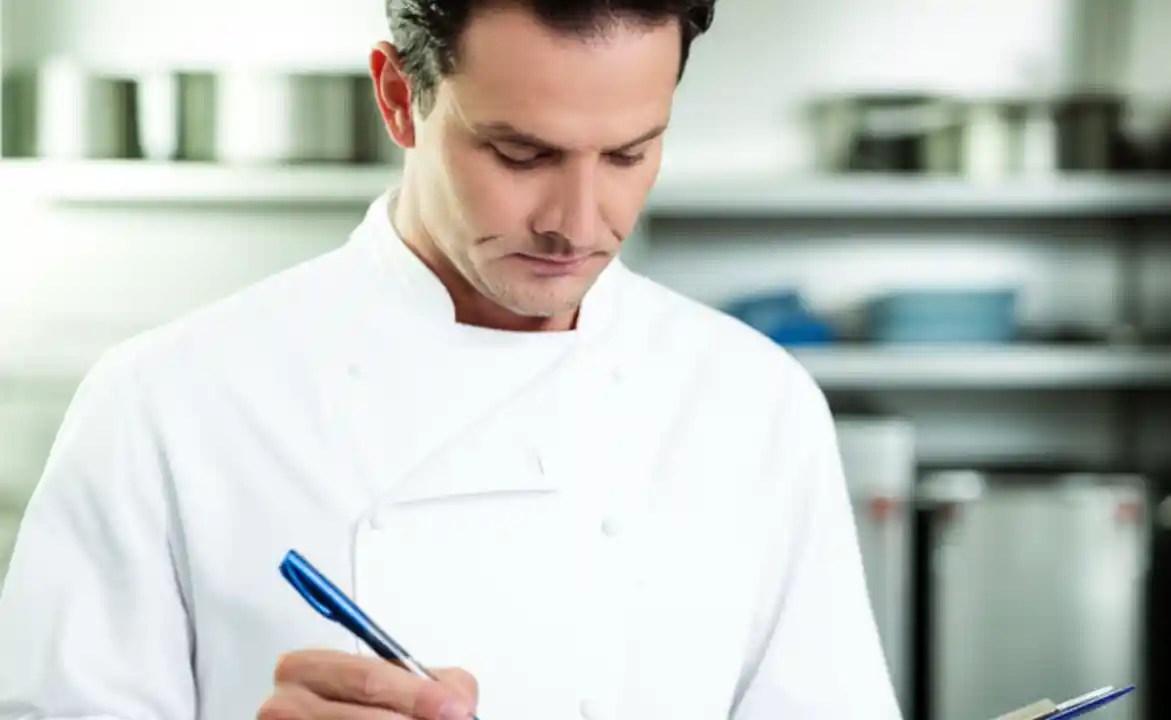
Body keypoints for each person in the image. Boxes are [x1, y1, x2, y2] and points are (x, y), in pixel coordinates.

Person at [0, 1, 900, 718]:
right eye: (520, 152)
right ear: (399, 98)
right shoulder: (166, 404)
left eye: (630, 152)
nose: (578, 223)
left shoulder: (754, 402)